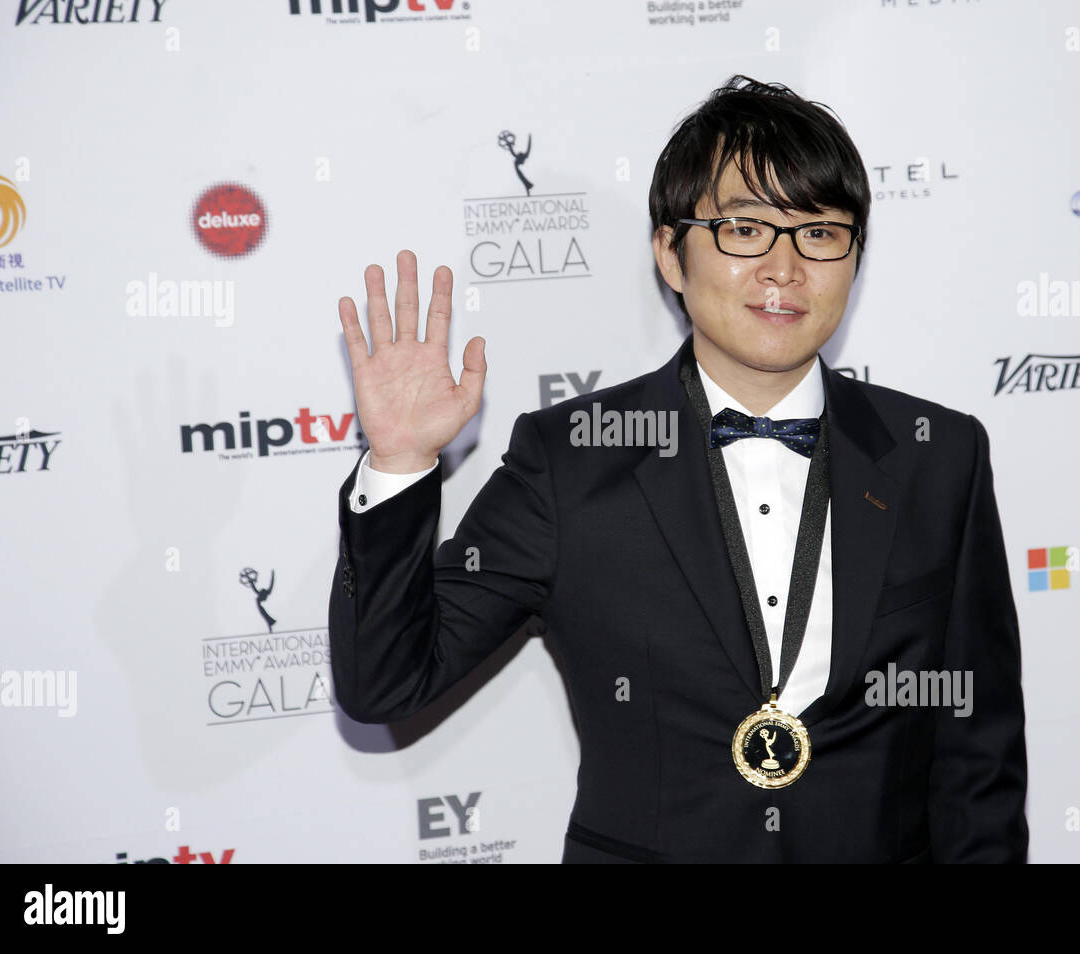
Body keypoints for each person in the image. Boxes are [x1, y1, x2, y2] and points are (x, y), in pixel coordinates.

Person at [330, 75, 1028, 863]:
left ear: (854, 253)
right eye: (743, 229)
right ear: (671, 252)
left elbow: (979, 752)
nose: (784, 269)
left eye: (820, 233)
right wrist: (397, 463)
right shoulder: (572, 459)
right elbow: (386, 685)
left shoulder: (940, 453)